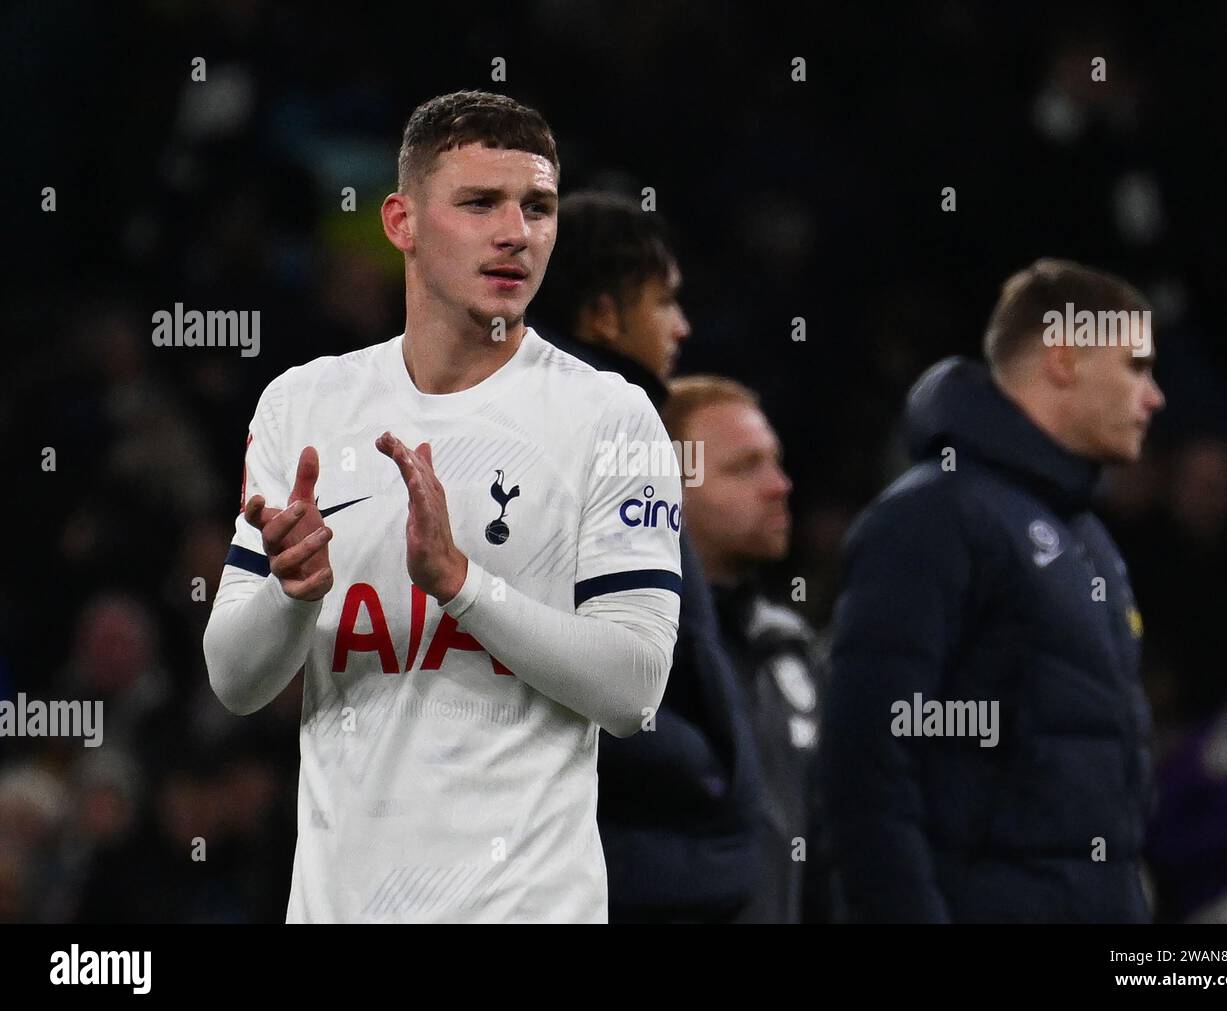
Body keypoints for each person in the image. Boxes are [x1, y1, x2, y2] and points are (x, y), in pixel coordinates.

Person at [203, 92, 683, 923]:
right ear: (402, 222)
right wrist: (290, 595)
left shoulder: (611, 417)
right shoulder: (305, 405)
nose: (516, 232)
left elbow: (635, 686)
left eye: (537, 207)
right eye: (479, 203)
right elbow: (235, 681)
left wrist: (462, 585)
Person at [822, 258, 1165, 922]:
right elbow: (864, 766)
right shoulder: (933, 517)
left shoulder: (1087, 537)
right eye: (1137, 367)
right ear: (1064, 360)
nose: (1154, 398)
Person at [530, 192, 765, 922]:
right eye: (664, 301)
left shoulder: (611, 427)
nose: (682, 326)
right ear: (603, 315)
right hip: (610, 869)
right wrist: (703, 765)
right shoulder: (572, 435)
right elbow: (568, 669)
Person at [662, 375, 822, 923]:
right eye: (744, 467)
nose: (779, 485)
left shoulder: (790, 650)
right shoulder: (633, 656)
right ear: (667, 487)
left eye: (775, 462)